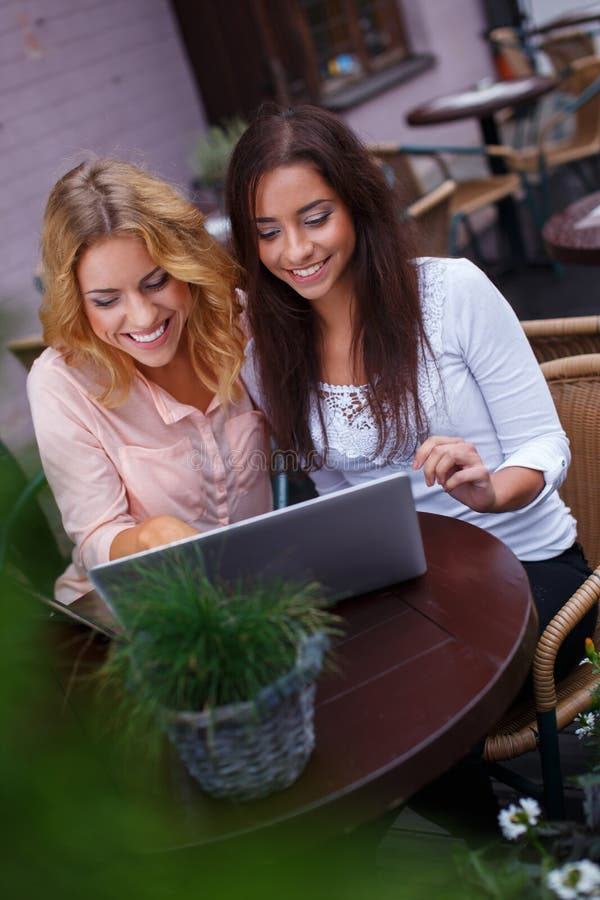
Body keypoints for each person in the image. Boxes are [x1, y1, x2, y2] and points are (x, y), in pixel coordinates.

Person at [226, 103, 596, 679]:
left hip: (531, 567)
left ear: (357, 204)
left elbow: (545, 443)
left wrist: (491, 492)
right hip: (407, 590)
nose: (294, 251)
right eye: (268, 232)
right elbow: (333, 495)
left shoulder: (452, 293)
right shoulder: (265, 355)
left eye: (315, 218)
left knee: (424, 681)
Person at [27, 159, 272, 622]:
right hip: (121, 614)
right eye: (107, 300)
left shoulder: (235, 321)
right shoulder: (60, 382)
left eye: (156, 281)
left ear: (187, 266)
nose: (142, 318)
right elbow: (96, 537)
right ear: (75, 299)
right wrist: (147, 536)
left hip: (251, 596)